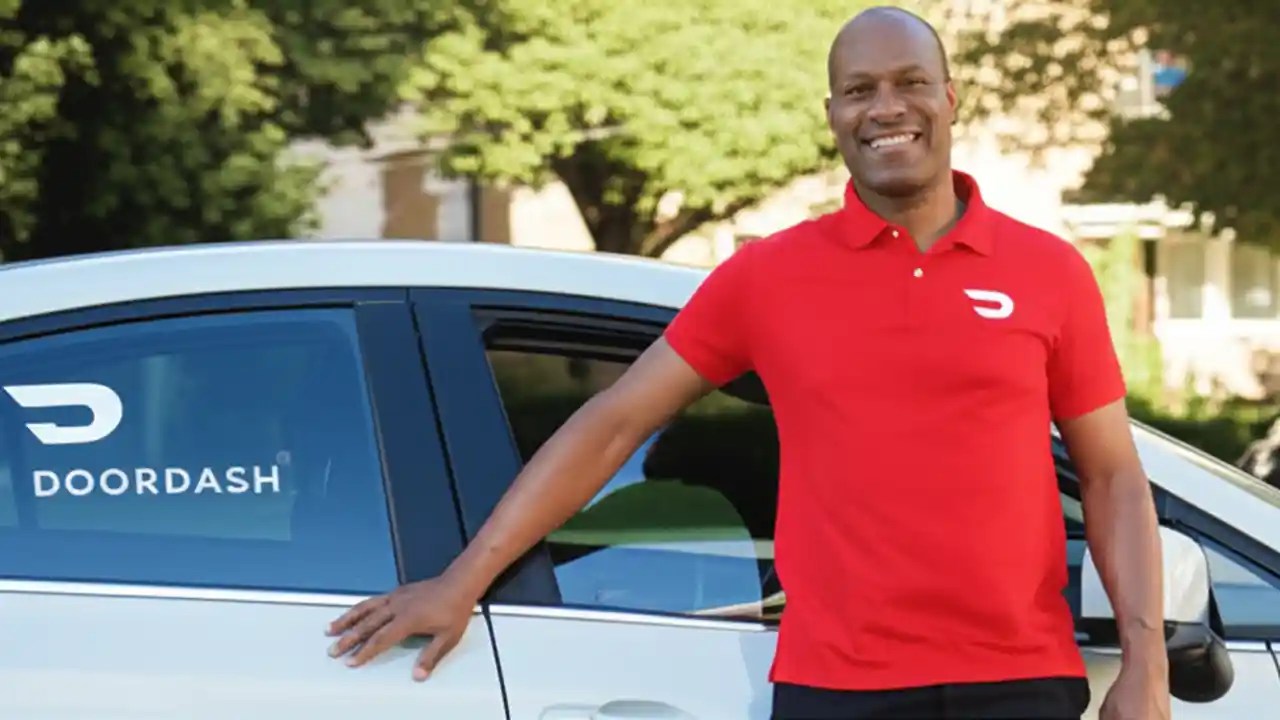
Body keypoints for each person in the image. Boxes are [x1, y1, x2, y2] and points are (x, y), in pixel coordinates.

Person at [325, 6, 1172, 719]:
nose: (886, 107)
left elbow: (1111, 479)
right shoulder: (768, 278)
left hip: (1020, 684)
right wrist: (464, 578)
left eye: (910, 83)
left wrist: (1146, 660)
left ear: (949, 99)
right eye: (859, 90)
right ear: (834, 113)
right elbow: (613, 423)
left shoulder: (1048, 272)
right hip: (836, 688)